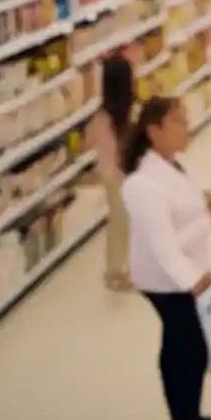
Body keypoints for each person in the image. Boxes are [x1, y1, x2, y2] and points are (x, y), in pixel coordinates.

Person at [122, 97, 211, 420]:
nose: (186, 127)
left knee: (176, 348)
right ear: (154, 131)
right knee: (191, 353)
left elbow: (194, 206)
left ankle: (187, 416)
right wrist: (193, 281)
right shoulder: (142, 185)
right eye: (177, 122)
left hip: (186, 272)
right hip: (165, 281)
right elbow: (163, 248)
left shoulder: (179, 164)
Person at [85, 53, 136, 291]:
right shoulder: (106, 119)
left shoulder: (114, 115)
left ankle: (122, 267)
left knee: (125, 222)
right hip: (115, 176)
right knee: (120, 221)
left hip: (121, 173)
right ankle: (114, 271)